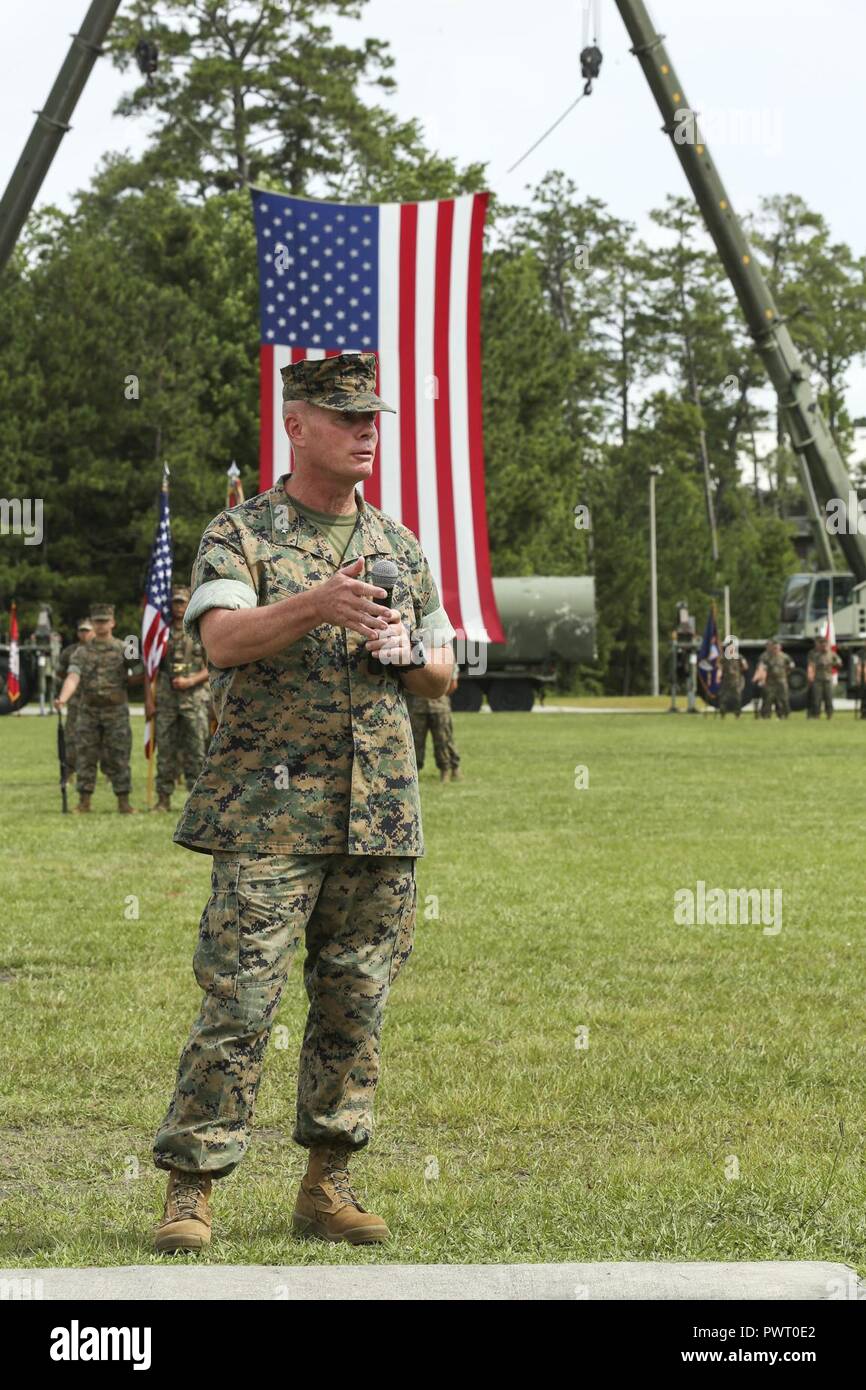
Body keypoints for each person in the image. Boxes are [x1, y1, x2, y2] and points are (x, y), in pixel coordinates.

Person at [151, 352, 456, 1253]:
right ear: (297, 424)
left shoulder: (400, 545)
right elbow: (221, 642)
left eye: (375, 418)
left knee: (354, 1003)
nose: (368, 431)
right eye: (348, 416)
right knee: (241, 999)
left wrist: (408, 654)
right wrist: (319, 602)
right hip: (269, 811)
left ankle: (327, 1185)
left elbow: (443, 672)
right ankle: (191, 1190)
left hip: (380, 813)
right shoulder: (241, 533)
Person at [53, 603, 136, 813]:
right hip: (88, 711)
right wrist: (63, 698)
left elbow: (141, 673)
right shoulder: (81, 652)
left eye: (104, 621)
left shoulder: (125, 649)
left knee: (119, 756)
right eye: (97, 621)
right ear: (92, 623)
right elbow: (73, 676)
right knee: (86, 756)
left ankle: (123, 802)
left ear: (112, 623)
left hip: (116, 710)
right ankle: (84, 802)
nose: (100, 625)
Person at [147, 586, 210, 812]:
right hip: (167, 701)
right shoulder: (160, 634)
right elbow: (151, 670)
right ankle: (163, 799)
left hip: (194, 701)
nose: (179, 606)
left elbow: (212, 666)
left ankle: (196, 802)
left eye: (182, 602)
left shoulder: (201, 630)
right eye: (175, 602)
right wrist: (149, 700)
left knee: (196, 751)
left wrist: (191, 681)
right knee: (165, 751)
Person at [406, 662, 462, 780]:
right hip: (418, 707)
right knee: (415, 741)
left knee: (444, 740)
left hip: (439, 707)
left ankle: (448, 769)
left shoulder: (446, 658)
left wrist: (438, 693)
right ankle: (414, 772)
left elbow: (453, 683)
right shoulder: (414, 654)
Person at [55, 618, 94, 773]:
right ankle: (69, 772)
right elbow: (60, 671)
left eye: (87, 630)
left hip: (97, 702)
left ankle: (108, 774)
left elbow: (131, 660)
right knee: (71, 738)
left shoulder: (109, 648)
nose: (84, 634)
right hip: (76, 701)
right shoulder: (70, 651)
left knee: (103, 740)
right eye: (81, 631)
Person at [807, 634, 841, 719]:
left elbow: (839, 663)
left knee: (828, 698)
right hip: (817, 679)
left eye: (825, 645)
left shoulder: (832, 654)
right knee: (816, 698)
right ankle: (816, 714)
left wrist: (832, 664)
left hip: (828, 678)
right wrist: (810, 676)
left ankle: (829, 714)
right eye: (822, 645)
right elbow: (811, 665)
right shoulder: (815, 655)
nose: (824, 646)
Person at [759, 639, 794, 719]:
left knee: (783, 698)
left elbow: (791, 666)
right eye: (774, 648)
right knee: (768, 698)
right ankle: (766, 715)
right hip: (770, 681)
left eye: (777, 647)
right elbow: (762, 668)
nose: (775, 649)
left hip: (781, 680)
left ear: (780, 648)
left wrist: (786, 673)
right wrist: (762, 679)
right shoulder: (766, 657)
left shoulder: (785, 656)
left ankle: (784, 714)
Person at [717, 638, 748, 719]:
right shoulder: (723, 658)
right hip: (725, 681)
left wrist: (739, 670)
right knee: (723, 698)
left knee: (737, 698)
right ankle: (722, 714)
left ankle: (737, 714)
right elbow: (719, 667)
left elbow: (745, 667)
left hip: (736, 682)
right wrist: (719, 675)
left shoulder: (739, 657)